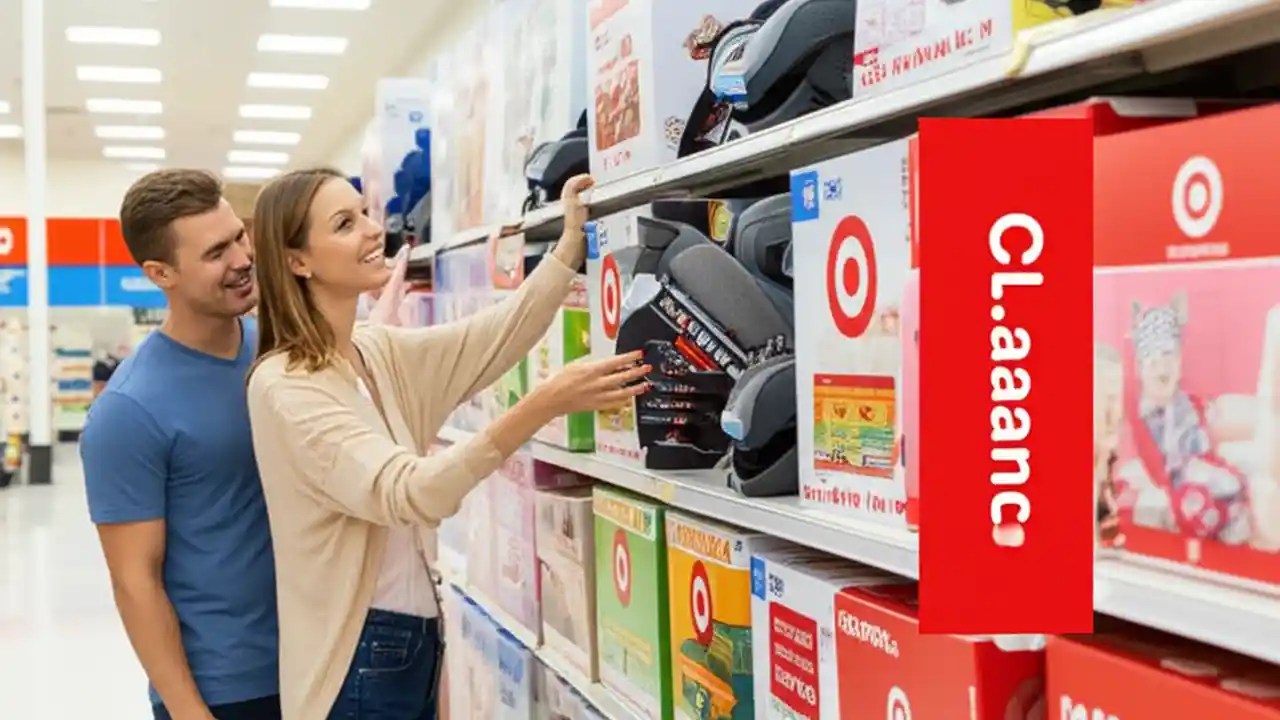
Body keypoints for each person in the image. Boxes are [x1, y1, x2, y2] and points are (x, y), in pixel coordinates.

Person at [246, 169, 647, 719]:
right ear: (298, 261)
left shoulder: (372, 352)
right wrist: (542, 404)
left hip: (411, 638)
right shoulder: (287, 387)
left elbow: (490, 339)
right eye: (344, 224)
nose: (371, 230)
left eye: (364, 213)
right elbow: (414, 491)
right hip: (355, 657)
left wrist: (568, 246)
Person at [80, 169, 281, 720]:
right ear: (159, 272)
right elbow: (133, 580)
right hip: (229, 687)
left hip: (319, 658)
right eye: (217, 252)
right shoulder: (130, 410)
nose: (242, 258)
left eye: (239, 236)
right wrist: (189, 711)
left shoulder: (276, 351)